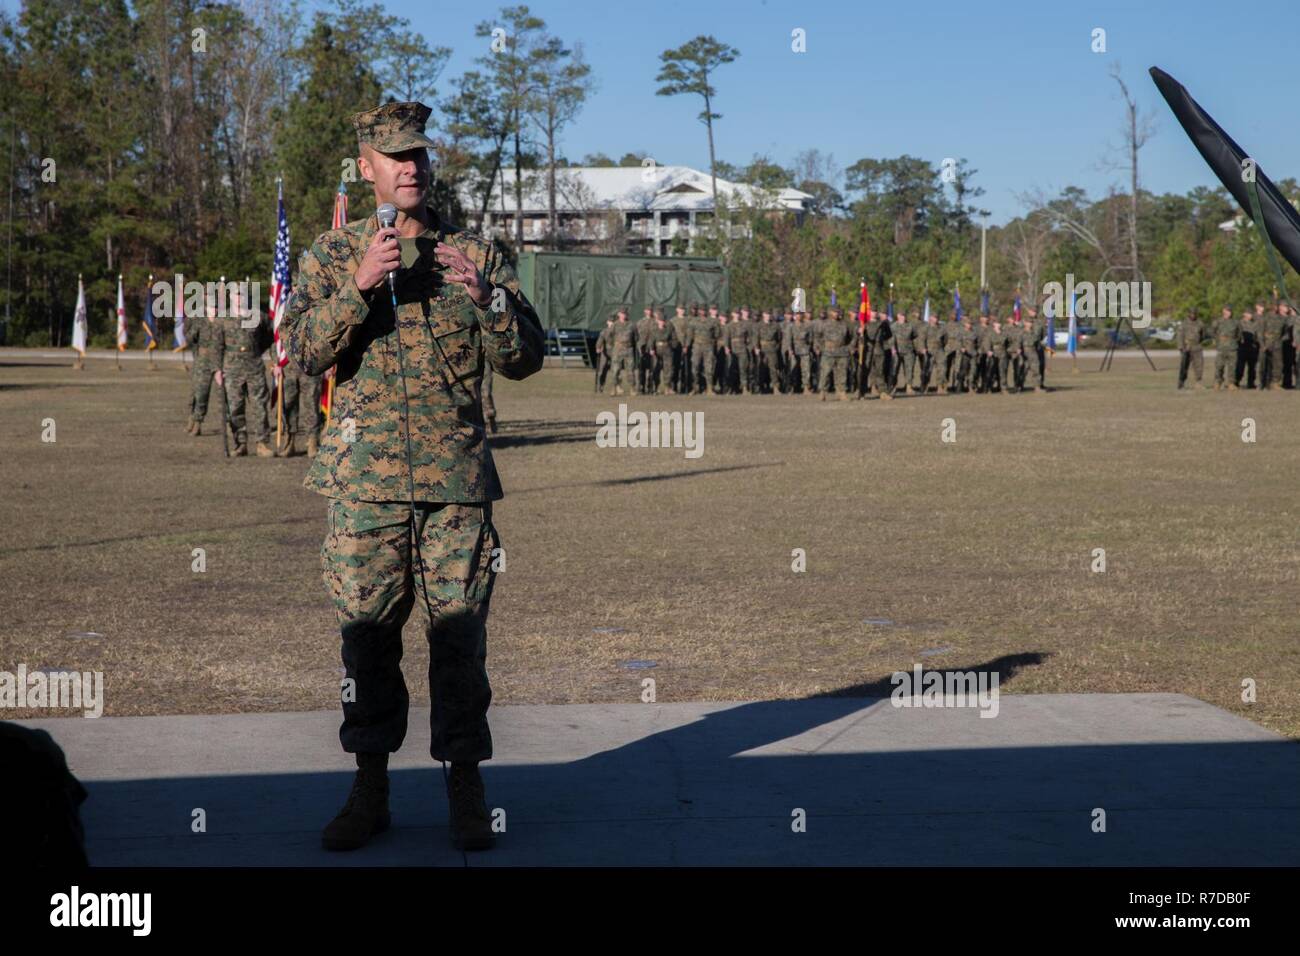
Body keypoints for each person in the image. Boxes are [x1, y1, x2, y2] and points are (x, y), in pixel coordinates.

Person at [281, 101, 545, 854]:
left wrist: (486, 299)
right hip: (364, 484)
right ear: (365, 166)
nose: (410, 167)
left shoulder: (476, 254)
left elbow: (523, 359)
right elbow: (301, 352)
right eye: (394, 156)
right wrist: (358, 285)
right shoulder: (333, 256)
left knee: (459, 642)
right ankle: (370, 787)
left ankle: (466, 787)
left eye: (419, 155)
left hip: (456, 485)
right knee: (366, 642)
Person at [213, 282, 274, 456]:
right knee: (235, 408)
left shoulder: (259, 317)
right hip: (231, 369)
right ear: (230, 296)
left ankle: (262, 443)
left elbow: (268, 338)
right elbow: (217, 346)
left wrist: (256, 352)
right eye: (235, 294)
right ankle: (240, 443)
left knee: (259, 406)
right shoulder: (222, 319)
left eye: (241, 294)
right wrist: (218, 369)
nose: (239, 298)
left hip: (254, 366)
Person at [185, 292, 221, 436]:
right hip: (203, 360)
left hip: (220, 360)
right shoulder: (199, 319)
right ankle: (196, 421)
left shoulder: (223, 319)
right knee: (200, 393)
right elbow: (189, 338)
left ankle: (230, 424)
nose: (214, 308)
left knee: (225, 395)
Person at [1175, 309, 1207, 390]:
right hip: (1187, 347)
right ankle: (1181, 382)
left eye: (1194, 313)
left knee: (1199, 366)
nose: (1193, 315)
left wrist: (1198, 342)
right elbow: (1179, 336)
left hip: (1197, 347)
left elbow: (1203, 335)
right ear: (1188, 314)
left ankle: (1198, 383)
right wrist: (1181, 347)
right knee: (1184, 366)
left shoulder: (1200, 323)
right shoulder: (1184, 324)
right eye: (1191, 313)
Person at [1212, 306, 1241, 391]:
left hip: (1232, 348)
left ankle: (1231, 383)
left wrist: (1233, 341)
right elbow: (1213, 332)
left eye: (1229, 311)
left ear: (1231, 312)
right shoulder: (1217, 321)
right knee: (1219, 366)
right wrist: (1218, 341)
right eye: (1226, 311)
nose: (1227, 313)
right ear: (1223, 311)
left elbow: (1239, 334)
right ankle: (1218, 382)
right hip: (1221, 348)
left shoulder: (1236, 322)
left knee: (1232, 367)